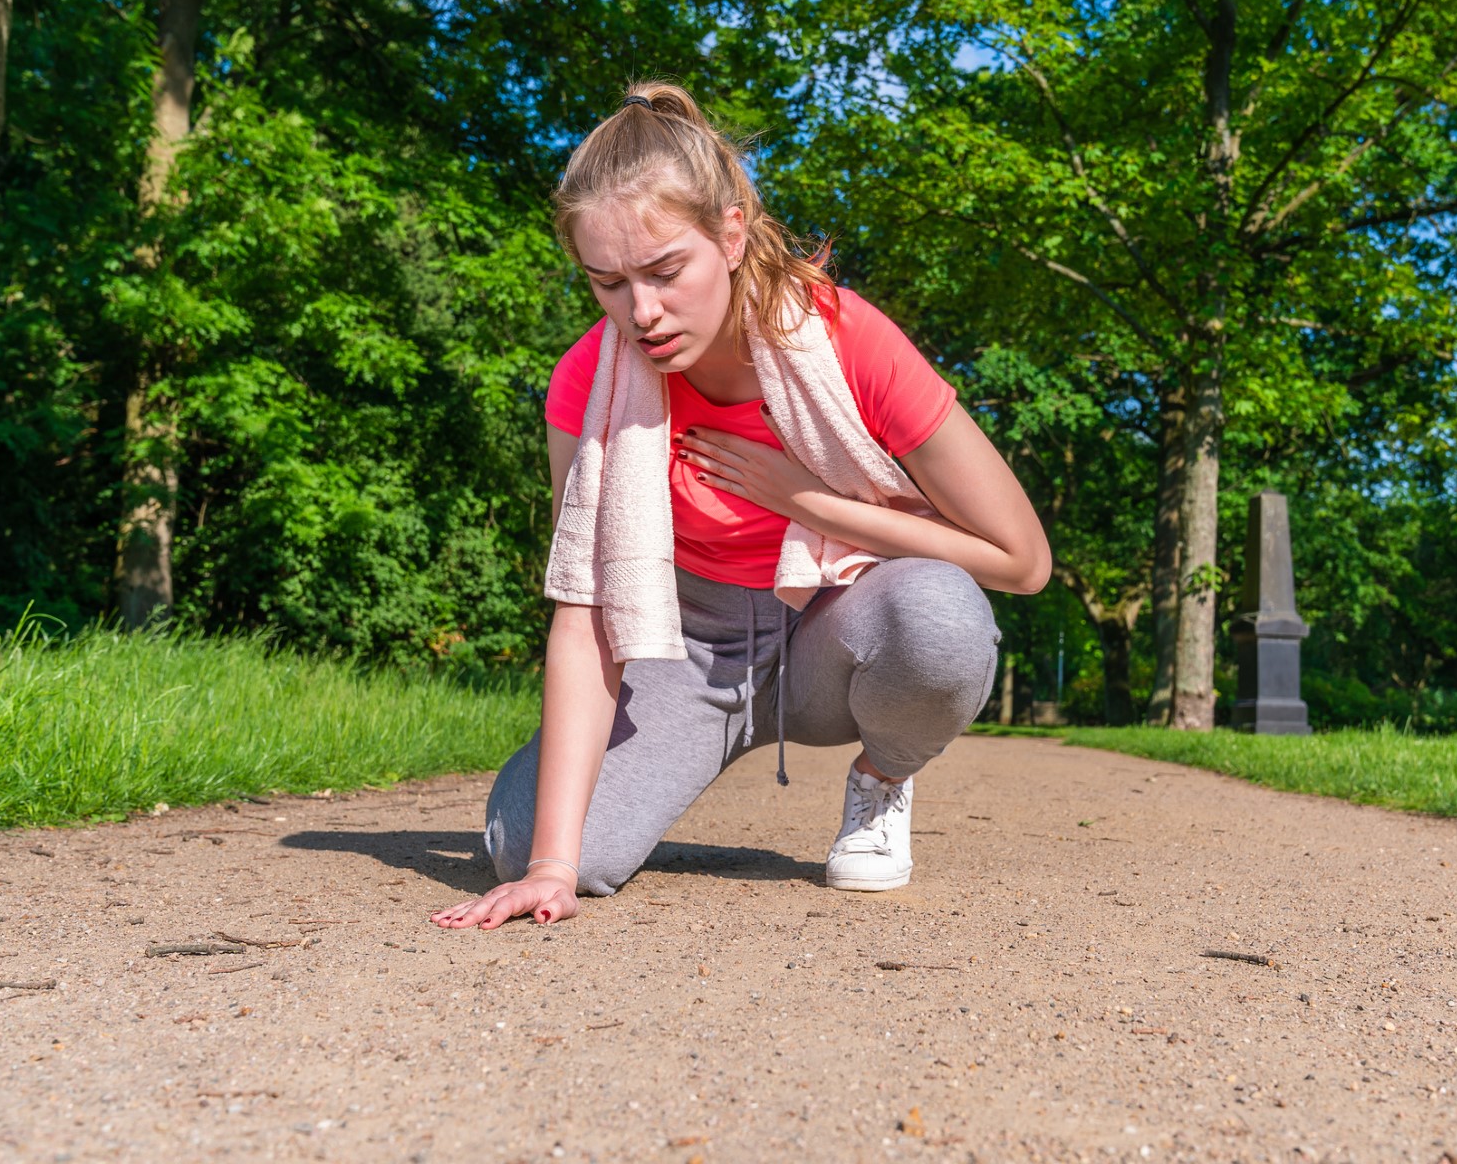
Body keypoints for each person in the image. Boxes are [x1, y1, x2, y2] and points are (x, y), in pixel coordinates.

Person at [431, 82, 1050, 932]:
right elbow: (586, 609)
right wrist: (551, 864)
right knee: (534, 850)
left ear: (730, 233)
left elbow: (1022, 562)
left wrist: (814, 504)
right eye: (606, 282)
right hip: (679, 649)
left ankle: (881, 779)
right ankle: (621, 769)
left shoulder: (847, 340)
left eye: (663, 271)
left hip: (833, 627)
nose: (639, 313)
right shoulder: (589, 379)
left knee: (939, 618)